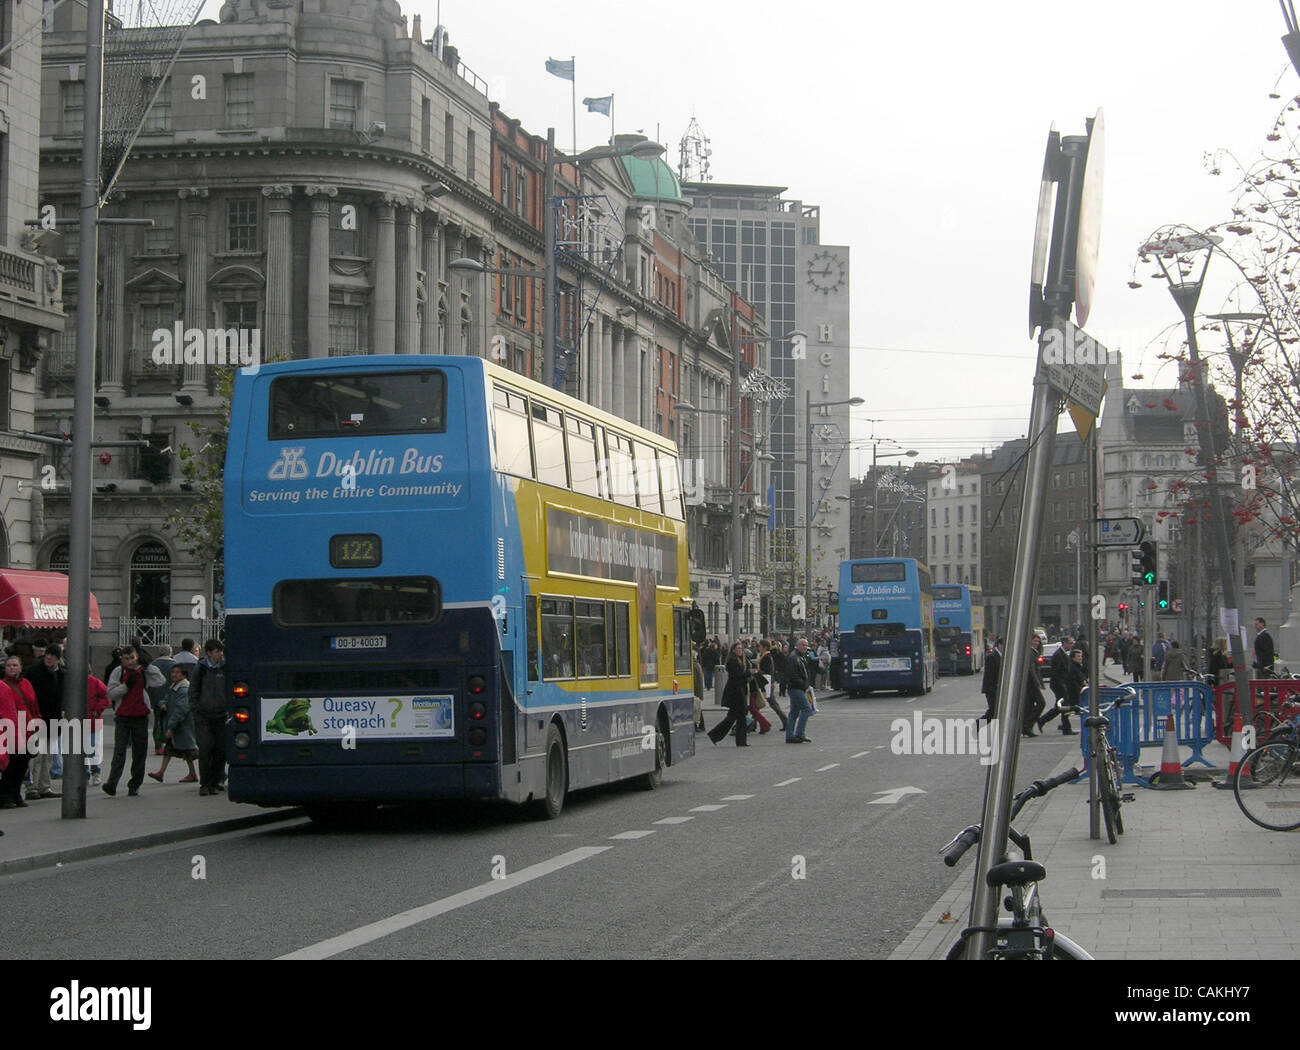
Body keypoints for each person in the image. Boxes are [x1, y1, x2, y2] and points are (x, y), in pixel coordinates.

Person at [104, 646, 165, 797]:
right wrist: (126, 686)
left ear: (137, 657)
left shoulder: (143, 671)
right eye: (126, 659)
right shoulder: (119, 672)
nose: (130, 661)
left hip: (140, 717)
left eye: (132, 658)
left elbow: (160, 681)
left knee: (139, 753)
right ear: (121, 660)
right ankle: (112, 783)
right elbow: (110, 694)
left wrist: (149, 666)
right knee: (119, 752)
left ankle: (135, 784)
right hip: (123, 717)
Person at [22, 644, 64, 799]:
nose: (49, 657)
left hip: (53, 719)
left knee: (48, 755)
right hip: (37, 718)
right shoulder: (34, 672)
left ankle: (44, 786)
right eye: (48, 654)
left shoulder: (60, 674)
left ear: (58, 659)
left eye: (53, 655)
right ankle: (31, 787)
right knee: (36, 756)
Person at [189, 639, 229, 794]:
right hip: (203, 714)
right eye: (217, 651)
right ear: (209, 653)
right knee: (205, 749)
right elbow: (193, 690)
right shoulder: (201, 668)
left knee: (220, 749)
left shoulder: (224, 668)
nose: (220, 654)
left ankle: (216, 780)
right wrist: (195, 708)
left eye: (221, 651)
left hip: (221, 714)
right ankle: (205, 784)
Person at [148, 665, 199, 784]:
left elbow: (181, 710)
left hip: (183, 726)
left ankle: (193, 773)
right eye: (173, 672)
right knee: (169, 749)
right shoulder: (174, 687)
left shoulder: (184, 690)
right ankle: (161, 772)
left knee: (187, 751)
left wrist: (171, 726)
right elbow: (166, 699)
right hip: (178, 726)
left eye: (177, 672)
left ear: (184, 675)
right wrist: (163, 704)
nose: (174, 675)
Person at [0, 656, 37, 808]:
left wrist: (36, 723)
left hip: (25, 727)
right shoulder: (3, 685)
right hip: (9, 728)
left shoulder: (26, 684)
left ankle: (16, 794)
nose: (12, 668)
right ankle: (5, 795)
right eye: (9, 665)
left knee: (22, 764)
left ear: (20, 667)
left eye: (15, 665)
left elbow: (34, 705)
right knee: (10, 765)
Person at [707, 642, 751, 747]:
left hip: (739, 691)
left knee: (736, 717)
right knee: (736, 717)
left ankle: (738, 740)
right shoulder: (732, 661)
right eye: (738, 648)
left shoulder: (741, 660)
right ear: (733, 650)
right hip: (735, 692)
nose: (740, 650)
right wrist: (749, 672)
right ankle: (716, 735)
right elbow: (737, 675)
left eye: (741, 648)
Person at [1040, 635, 1074, 734]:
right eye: (1070, 643)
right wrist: (1063, 686)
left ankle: (1043, 720)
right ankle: (1066, 728)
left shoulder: (1063, 654)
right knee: (1064, 706)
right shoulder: (1059, 655)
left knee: (1060, 707)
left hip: (1061, 684)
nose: (1072, 645)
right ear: (1065, 643)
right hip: (1059, 685)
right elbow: (1057, 673)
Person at [784, 637, 816, 744]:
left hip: (798, 688)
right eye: (802, 644)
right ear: (797, 646)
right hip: (796, 688)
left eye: (806, 645)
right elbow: (792, 674)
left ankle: (790, 735)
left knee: (794, 712)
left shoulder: (800, 657)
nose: (805, 647)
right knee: (807, 709)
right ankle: (799, 734)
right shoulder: (794, 657)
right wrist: (803, 684)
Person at [149, 644, 178, 755]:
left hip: (156, 697)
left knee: (158, 720)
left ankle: (158, 746)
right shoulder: (175, 665)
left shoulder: (153, 664)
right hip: (171, 697)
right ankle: (170, 745)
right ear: (170, 653)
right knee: (171, 720)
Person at [85, 672, 110, 786]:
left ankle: (95, 772)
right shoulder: (73, 682)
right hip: (81, 721)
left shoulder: (94, 682)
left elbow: (106, 696)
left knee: (92, 748)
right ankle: (86, 773)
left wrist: (98, 709)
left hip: (92, 721)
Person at [758, 641, 788, 732]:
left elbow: (766, 671)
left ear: (765, 647)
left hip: (767, 683)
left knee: (761, 704)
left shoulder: (767, 657)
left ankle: (785, 721)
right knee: (761, 704)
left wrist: (758, 672)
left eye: (760, 646)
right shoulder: (765, 656)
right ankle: (755, 723)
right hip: (768, 682)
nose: (759, 648)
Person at [981, 637, 1003, 727]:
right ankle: (977, 725)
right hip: (991, 689)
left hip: (997, 688)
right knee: (993, 711)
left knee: (995, 711)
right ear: (999, 645)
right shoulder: (992, 657)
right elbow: (989, 676)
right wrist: (992, 689)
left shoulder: (1001, 656)